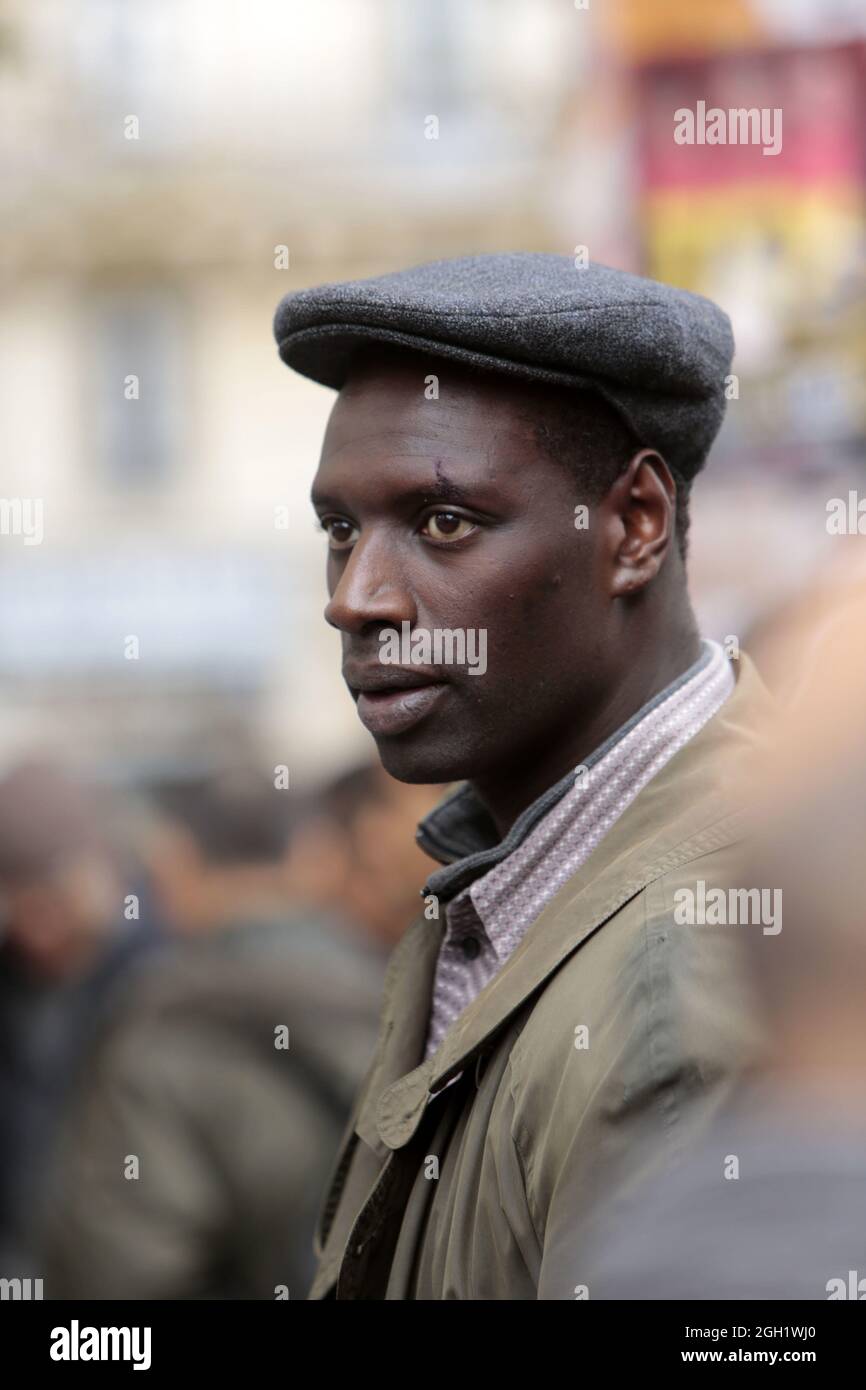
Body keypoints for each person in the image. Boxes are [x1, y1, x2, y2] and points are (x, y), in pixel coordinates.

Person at [272, 252, 772, 1299]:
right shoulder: (495, 886)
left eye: (442, 523)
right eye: (339, 529)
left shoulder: (691, 976)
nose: (355, 597)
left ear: (631, 525)